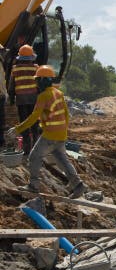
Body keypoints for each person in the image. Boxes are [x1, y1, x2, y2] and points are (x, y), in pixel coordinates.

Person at [6, 65, 85, 197]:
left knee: (34, 157)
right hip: (61, 134)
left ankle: (33, 186)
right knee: (62, 160)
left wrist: (17, 129)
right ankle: (78, 185)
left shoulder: (43, 96)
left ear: (43, 80)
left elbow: (33, 117)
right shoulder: (58, 93)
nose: (36, 83)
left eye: (38, 80)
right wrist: (62, 130)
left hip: (50, 135)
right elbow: (66, 114)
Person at [8, 45, 40, 154]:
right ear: (31, 57)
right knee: (34, 121)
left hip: (21, 100)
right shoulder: (36, 68)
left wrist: (11, 99)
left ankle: (26, 147)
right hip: (33, 99)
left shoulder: (15, 68)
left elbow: (11, 86)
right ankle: (36, 146)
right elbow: (39, 84)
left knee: (23, 122)